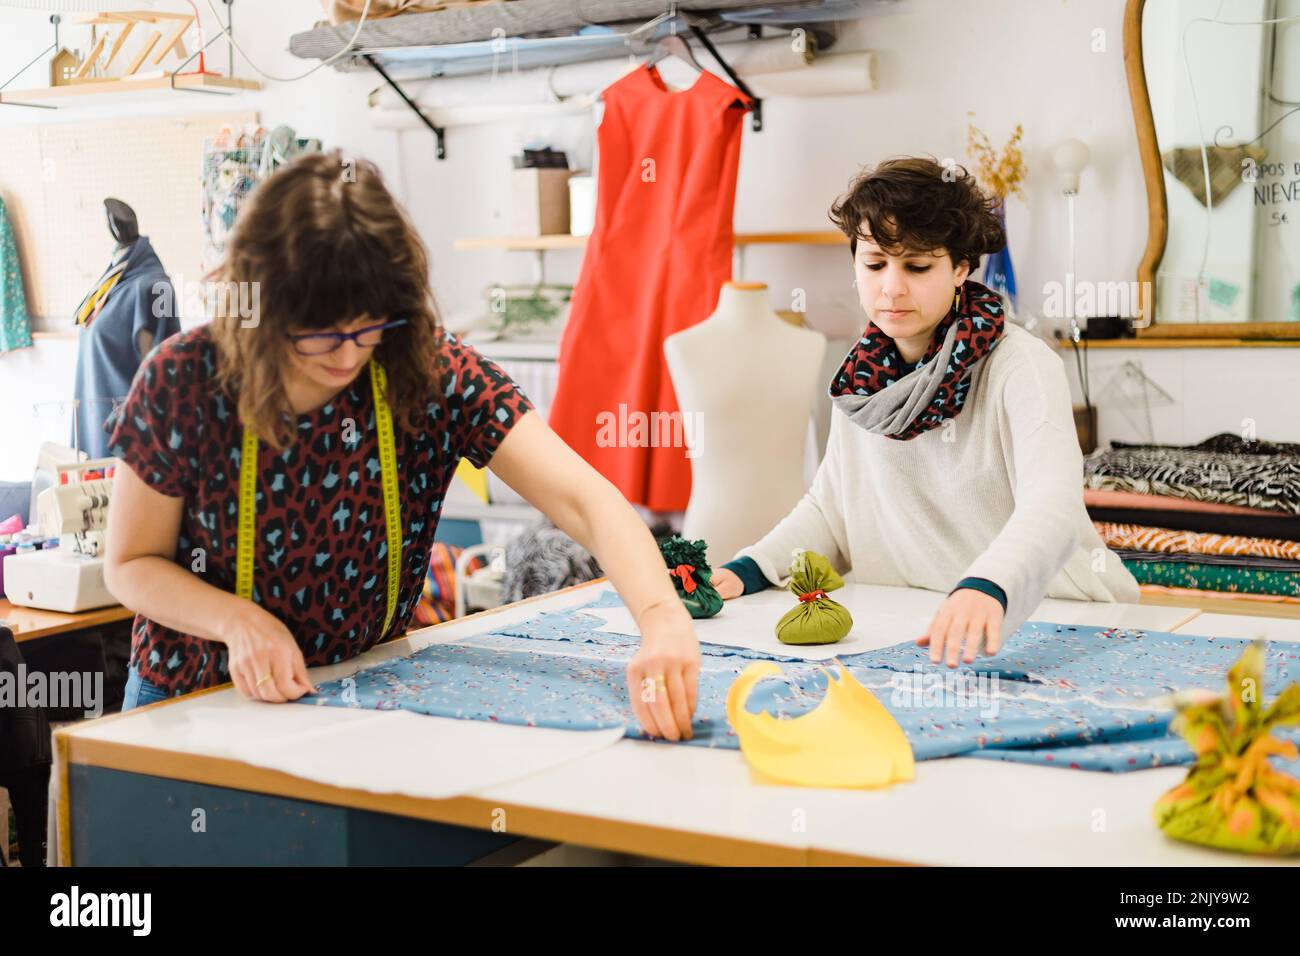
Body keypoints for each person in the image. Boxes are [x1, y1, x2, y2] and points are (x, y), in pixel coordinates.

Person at [103, 152, 700, 741]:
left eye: (368, 325)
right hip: (193, 699)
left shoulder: (425, 369)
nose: (346, 355)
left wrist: (661, 617)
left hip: (362, 691)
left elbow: (584, 501)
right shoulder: (185, 380)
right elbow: (130, 564)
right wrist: (236, 621)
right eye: (320, 333)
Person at [711, 156, 1139, 666]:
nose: (891, 287)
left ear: (960, 268)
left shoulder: (1021, 366)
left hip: (1053, 620)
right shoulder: (862, 383)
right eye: (874, 264)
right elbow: (830, 513)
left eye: (916, 267)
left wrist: (988, 586)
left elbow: (1053, 507)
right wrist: (747, 569)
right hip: (907, 622)